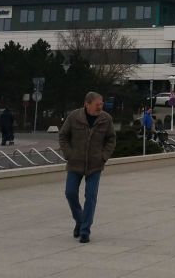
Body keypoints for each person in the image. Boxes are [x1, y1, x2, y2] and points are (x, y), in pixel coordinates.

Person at [58, 91, 116, 244]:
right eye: (97, 104)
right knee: (70, 193)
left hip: (95, 165)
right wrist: (69, 153)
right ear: (87, 104)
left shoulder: (106, 119)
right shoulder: (74, 117)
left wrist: (104, 156)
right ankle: (80, 219)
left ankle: (85, 231)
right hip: (75, 163)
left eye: (101, 104)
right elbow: (63, 135)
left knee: (90, 197)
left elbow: (111, 139)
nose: (100, 107)